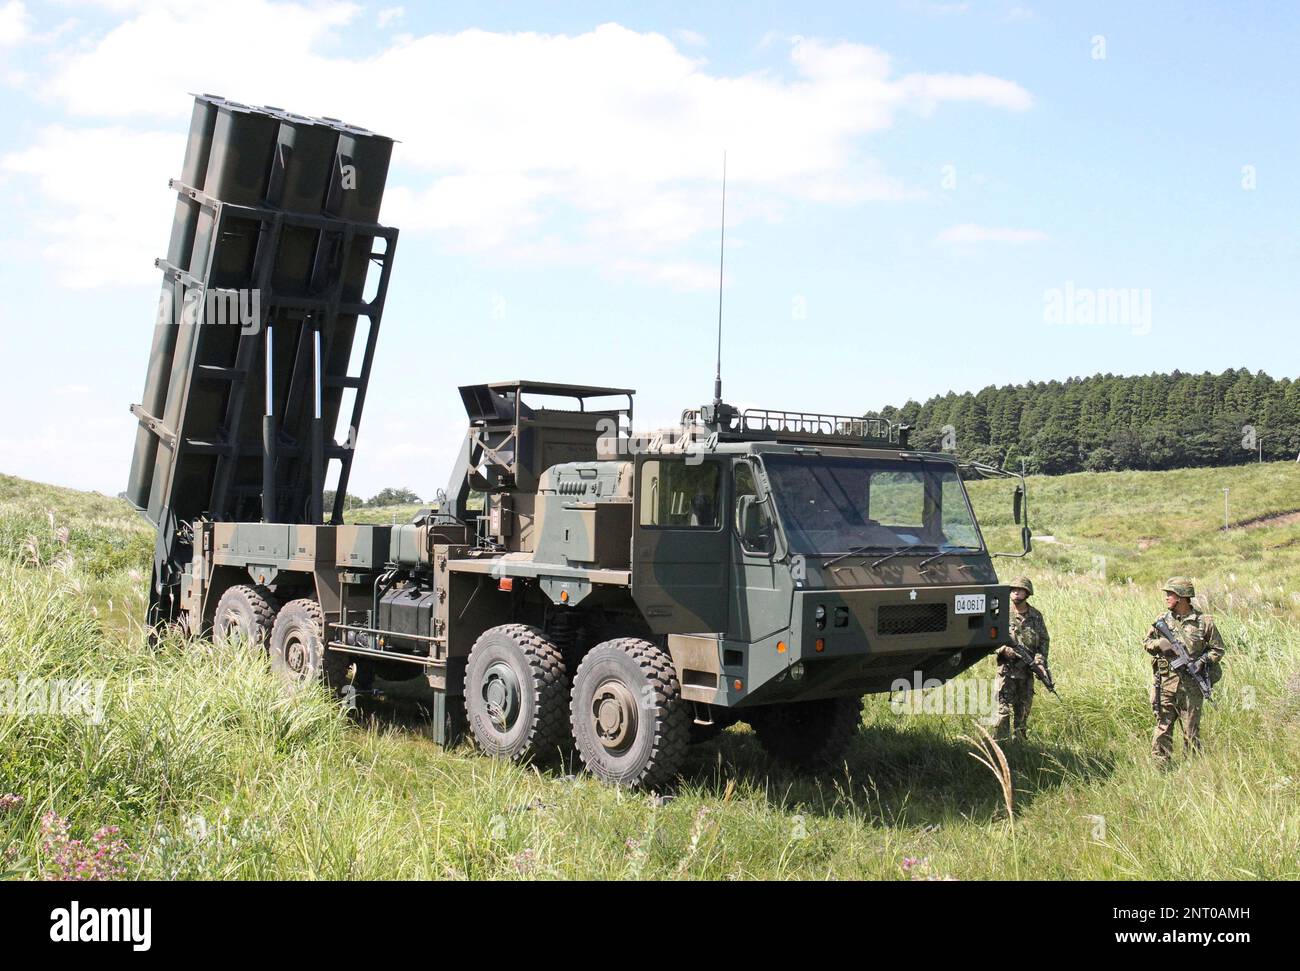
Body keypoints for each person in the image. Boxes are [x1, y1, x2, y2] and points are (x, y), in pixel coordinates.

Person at [1143, 576, 1225, 765]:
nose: (1166, 598)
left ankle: (1192, 767)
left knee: (1191, 731)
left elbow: (1218, 649)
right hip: (1166, 684)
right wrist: (1159, 644)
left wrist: (1203, 661)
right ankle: (1161, 766)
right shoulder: (1161, 620)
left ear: (1181, 596)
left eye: (1169, 594)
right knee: (1163, 727)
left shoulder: (1204, 622)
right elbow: (1146, 643)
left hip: (1192, 687)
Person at [992, 576, 1049, 741]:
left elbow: (1044, 641)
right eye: (1014, 589)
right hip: (1006, 671)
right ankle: (1001, 744)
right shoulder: (1001, 613)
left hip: (1026, 673)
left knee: (1023, 712)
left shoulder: (1036, 616)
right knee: (1002, 712)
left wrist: (1039, 661)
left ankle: (1020, 746)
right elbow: (990, 638)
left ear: (1028, 593)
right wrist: (1003, 649)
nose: (1016, 593)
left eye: (1020, 590)